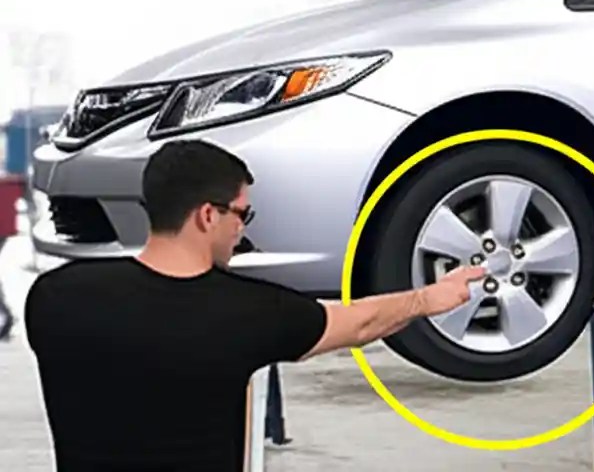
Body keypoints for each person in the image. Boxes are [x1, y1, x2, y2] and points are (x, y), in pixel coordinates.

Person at [24, 139, 487, 472]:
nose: (242, 229)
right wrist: (428, 298)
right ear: (207, 215)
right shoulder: (248, 315)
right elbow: (361, 321)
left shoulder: (54, 298)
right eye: (242, 214)